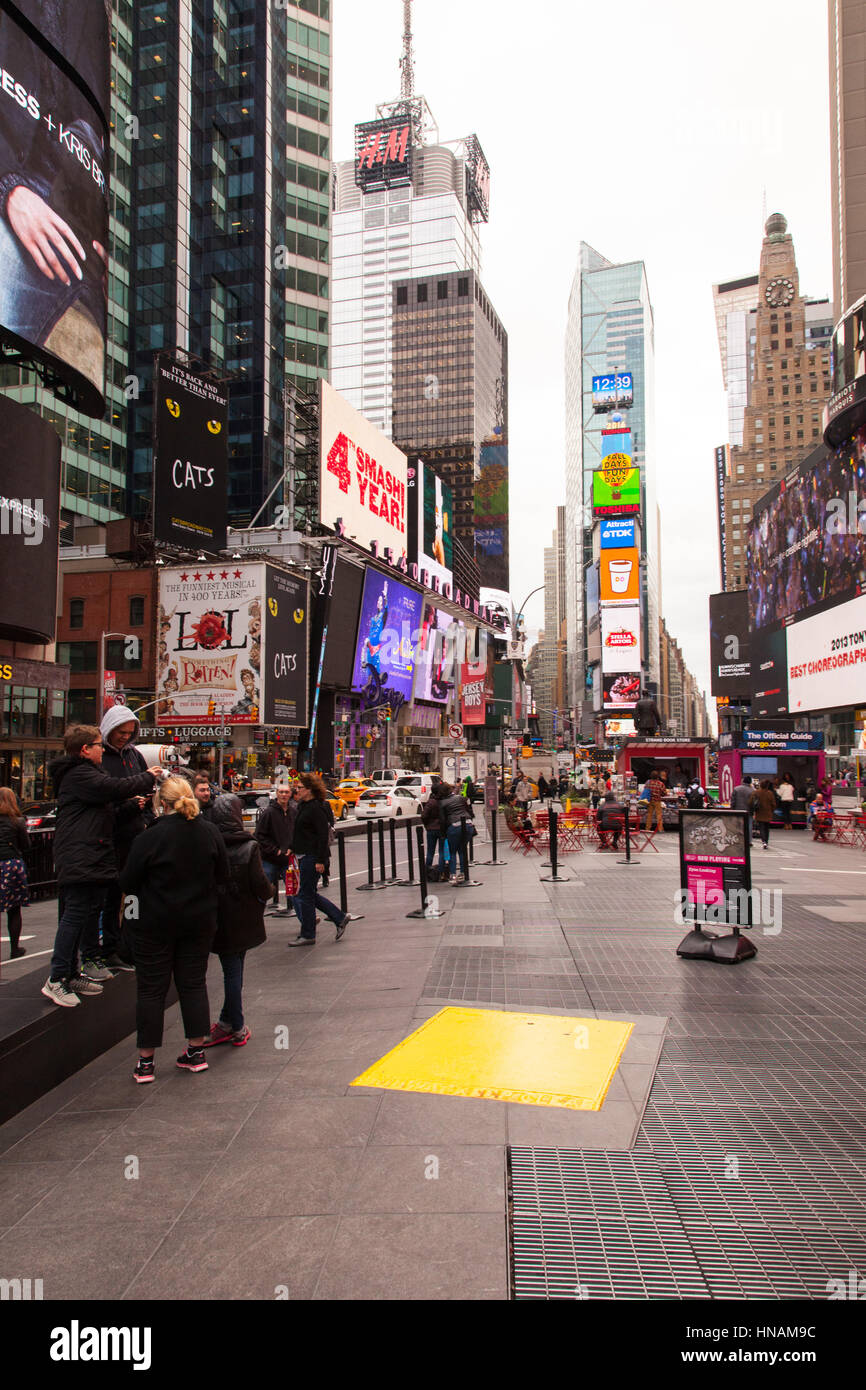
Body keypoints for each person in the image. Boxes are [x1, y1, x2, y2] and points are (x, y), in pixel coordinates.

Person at [42, 725, 161, 1009]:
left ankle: (72, 973)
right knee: (74, 916)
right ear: (85, 749)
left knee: (85, 914)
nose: (102, 749)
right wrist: (147, 776)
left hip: (92, 854)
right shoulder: (79, 775)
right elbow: (113, 788)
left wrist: (132, 805)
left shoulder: (86, 776)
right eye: (98, 745)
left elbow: (110, 807)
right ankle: (57, 978)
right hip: (81, 855)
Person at [122, 775, 229, 1082]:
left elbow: (128, 882)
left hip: (154, 924)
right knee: (193, 984)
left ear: (162, 803)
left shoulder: (149, 837)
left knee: (151, 990)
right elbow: (222, 876)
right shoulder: (209, 832)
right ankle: (196, 1052)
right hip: (198, 923)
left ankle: (146, 1063)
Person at [93, 705, 157, 973]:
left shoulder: (134, 755)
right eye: (121, 732)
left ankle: (129, 944)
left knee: (132, 896)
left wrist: (146, 811)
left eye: (130, 733)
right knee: (110, 897)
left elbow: (145, 786)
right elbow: (105, 798)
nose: (125, 737)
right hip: (110, 838)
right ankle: (109, 948)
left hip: (134, 836)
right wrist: (132, 804)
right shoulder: (100, 760)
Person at [204, 794, 271, 1048]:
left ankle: (226, 1022)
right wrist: (269, 894)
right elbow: (261, 884)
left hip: (219, 916)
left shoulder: (209, 844)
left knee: (234, 969)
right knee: (234, 971)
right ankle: (237, 1026)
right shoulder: (248, 846)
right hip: (243, 916)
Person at [288, 773, 352, 946]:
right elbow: (302, 832)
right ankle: (339, 917)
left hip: (312, 856)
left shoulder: (316, 808)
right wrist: (292, 847)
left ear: (309, 790)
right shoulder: (304, 806)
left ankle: (308, 933)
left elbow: (322, 836)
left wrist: (321, 860)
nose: (297, 790)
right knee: (308, 894)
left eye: (300, 787)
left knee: (305, 895)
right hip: (304, 854)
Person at [256, 783, 298, 911]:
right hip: (270, 860)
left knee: (295, 893)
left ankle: (307, 921)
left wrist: (292, 848)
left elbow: (297, 833)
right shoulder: (269, 813)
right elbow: (260, 836)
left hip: (288, 860)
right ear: (277, 794)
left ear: (290, 794)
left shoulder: (294, 812)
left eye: (286, 792)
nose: (284, 795)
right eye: (281, 792)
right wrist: (275, 850)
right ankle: (254, 919)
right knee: (262, 892)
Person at [0, 787, 30, 959]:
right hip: (11, 864)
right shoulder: (17, 822)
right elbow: (26, 845)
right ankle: (14, 948)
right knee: (13, 909)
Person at [439, 781, 475, 884]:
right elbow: (469, 808)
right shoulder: (460, 798)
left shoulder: (442, 803)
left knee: (452, 851)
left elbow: (442, 820)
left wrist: (443, 833)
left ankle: (453, 875)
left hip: (454, 826)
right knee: (462, 850)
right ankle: (463, 873)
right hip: (467, 824)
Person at [421, 784, 448, 881]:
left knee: (430, 852)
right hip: (441, 829)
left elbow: (424, 816)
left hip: (431, 829)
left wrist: (427, 825)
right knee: (442, 852)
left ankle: (427, 873)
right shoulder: (443, 801)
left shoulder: (431, 802)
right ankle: (441, 874)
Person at [751, 779, 777, 849]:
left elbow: (751, 802)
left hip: (759, 812)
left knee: (761, 827)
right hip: (768, 813)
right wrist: (772, 810)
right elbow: (773, 804)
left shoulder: (756, 792)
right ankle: (766, 841)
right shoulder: (770, 793)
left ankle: (763, 842)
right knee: (767, 828)